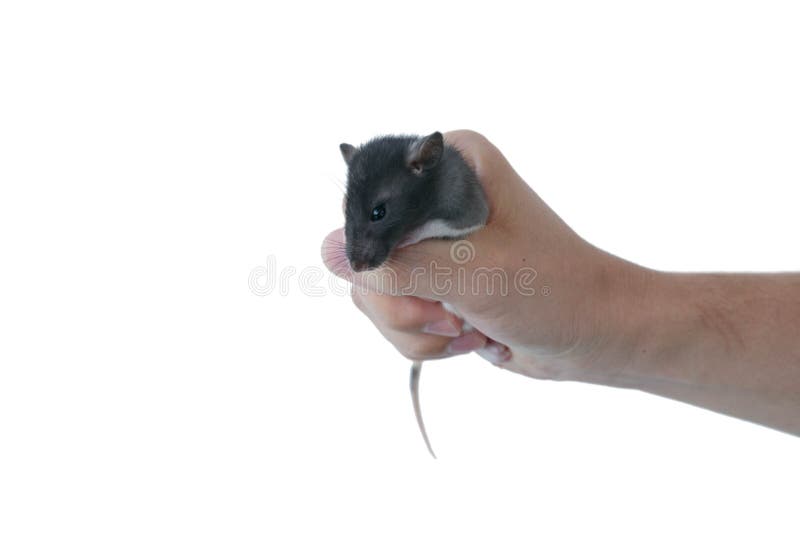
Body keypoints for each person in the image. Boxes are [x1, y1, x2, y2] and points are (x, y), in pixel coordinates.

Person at [321, 130, 800, 436]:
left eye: (378, 214)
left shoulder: (449, 183)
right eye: (355, 219)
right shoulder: (405, 183)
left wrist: (597, 311)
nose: (359, 247)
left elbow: (469, 219)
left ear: (422, 163)